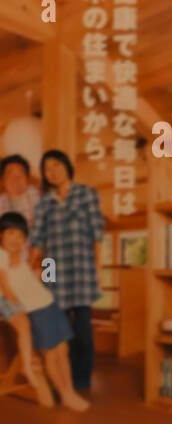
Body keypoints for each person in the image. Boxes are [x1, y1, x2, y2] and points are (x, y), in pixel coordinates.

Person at [29, 149, 104, 395]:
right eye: (47, 168)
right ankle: (65, 380)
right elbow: (39, 243)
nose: (53, 171)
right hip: (52, 270)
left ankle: (82, 381)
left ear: (66, 165)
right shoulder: (44, 203)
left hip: (81, 270)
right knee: (59, 331)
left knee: (83, 331)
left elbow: (96, 235)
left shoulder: (86, 194)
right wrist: (33, 276)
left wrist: (98, 268)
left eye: (56, 165)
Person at [0, 212, 87, 411]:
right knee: (51, 357)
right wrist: (20, 307)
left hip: (50, 305)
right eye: (11, 233)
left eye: (21, 236)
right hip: (37, 312)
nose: (16, 239)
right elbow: (7, 290)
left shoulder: (24, 257)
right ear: (1, 235)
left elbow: (44, 281)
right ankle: (65, 395)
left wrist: (43, 269)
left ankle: (70, 391)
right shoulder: (2, 258)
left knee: (63, 352)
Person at [0, 153, 44, 398]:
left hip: (35, 270)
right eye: (10, 174)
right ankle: (18, 366)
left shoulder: (36, 198)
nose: (16, 179)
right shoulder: (0, 203)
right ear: (3, 180)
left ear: (28, 179)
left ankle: (30, 365)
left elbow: (47, 242)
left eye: (21, 174)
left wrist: (46, 276)